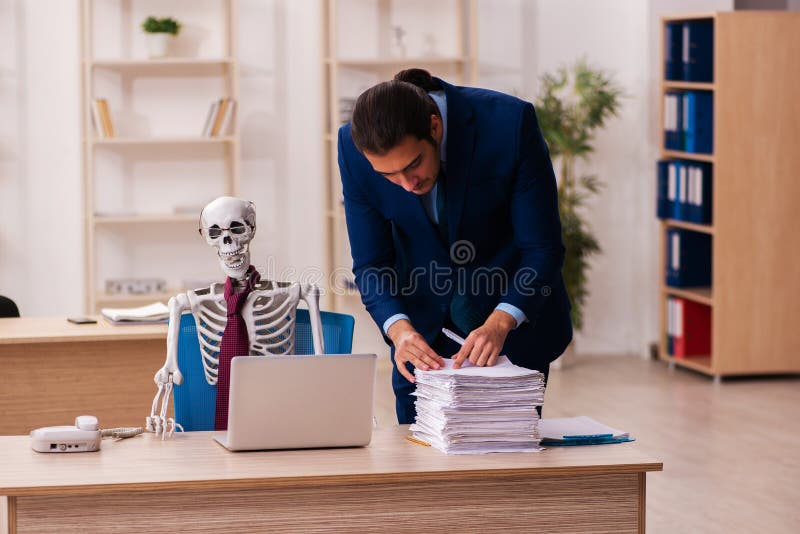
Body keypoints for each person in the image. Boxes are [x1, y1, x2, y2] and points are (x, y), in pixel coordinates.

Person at [338, 68, 572, 424]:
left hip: (510, 329)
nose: (406, 184)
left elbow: (542, 248)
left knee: (502, 463)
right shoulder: (353, 150)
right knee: (419, 466)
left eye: (413, 164)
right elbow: (372, 263)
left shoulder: (508, 124)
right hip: (422, 341)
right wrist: (400, 331)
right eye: (389, 176)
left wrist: (500, 322)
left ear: (434, 126)